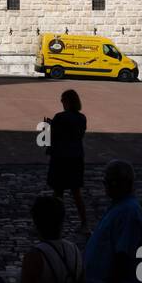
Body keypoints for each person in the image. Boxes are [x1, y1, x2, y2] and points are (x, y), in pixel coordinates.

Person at [45, 89, 88, 229]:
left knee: (58, 193)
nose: (62, 103)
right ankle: (84, 223)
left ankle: (55, 223)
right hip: (76, 157)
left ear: (67, 101)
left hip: (61, 158)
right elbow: (78, 135)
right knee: (76, 193)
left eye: (62, 100)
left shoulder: (59, 117)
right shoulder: (82, 118)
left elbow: (51, 138)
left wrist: (49, 126)